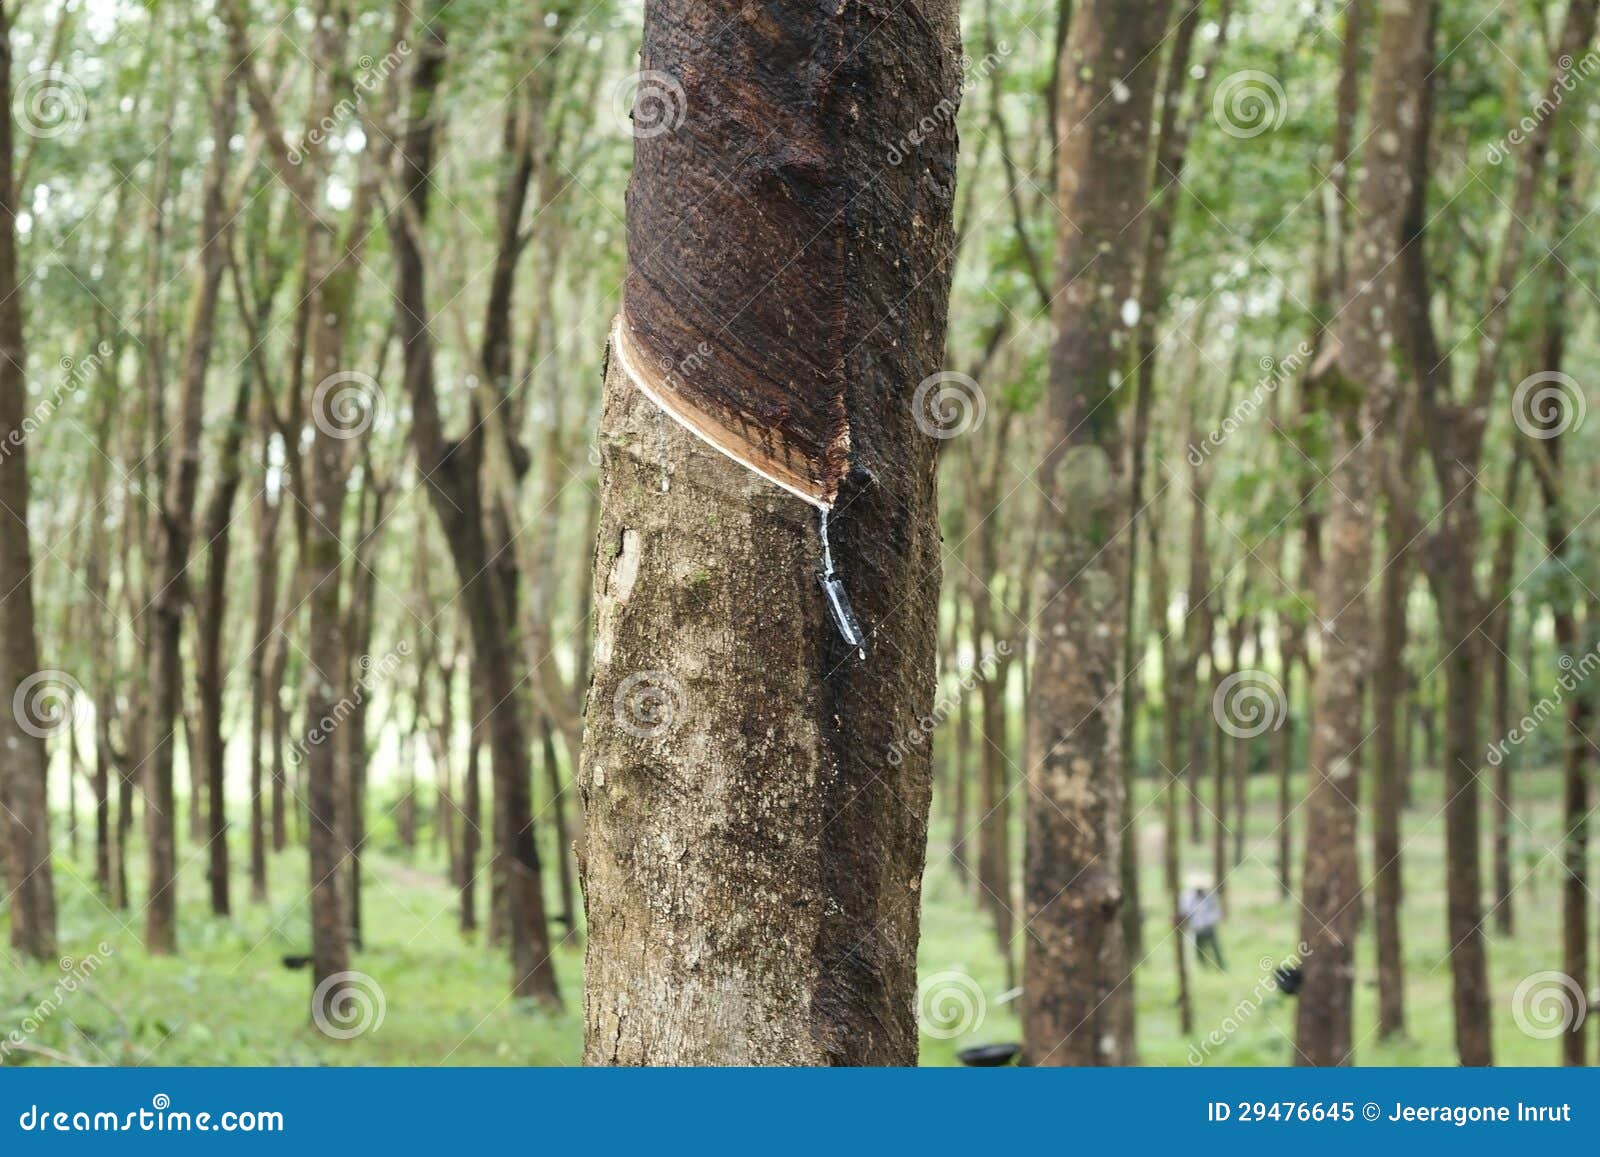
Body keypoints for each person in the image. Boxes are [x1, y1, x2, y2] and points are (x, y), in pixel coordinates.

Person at [1179, 875, 1226, 970]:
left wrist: (1208, 922)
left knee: (1215, 948)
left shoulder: (1210, 896)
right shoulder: (1186, 897)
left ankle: (1221, 966)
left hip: (1208, 927)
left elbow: (1216, 911)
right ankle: (1203, 967)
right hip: (1195, 928)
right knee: (1198, 949)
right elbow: (1184, 911)